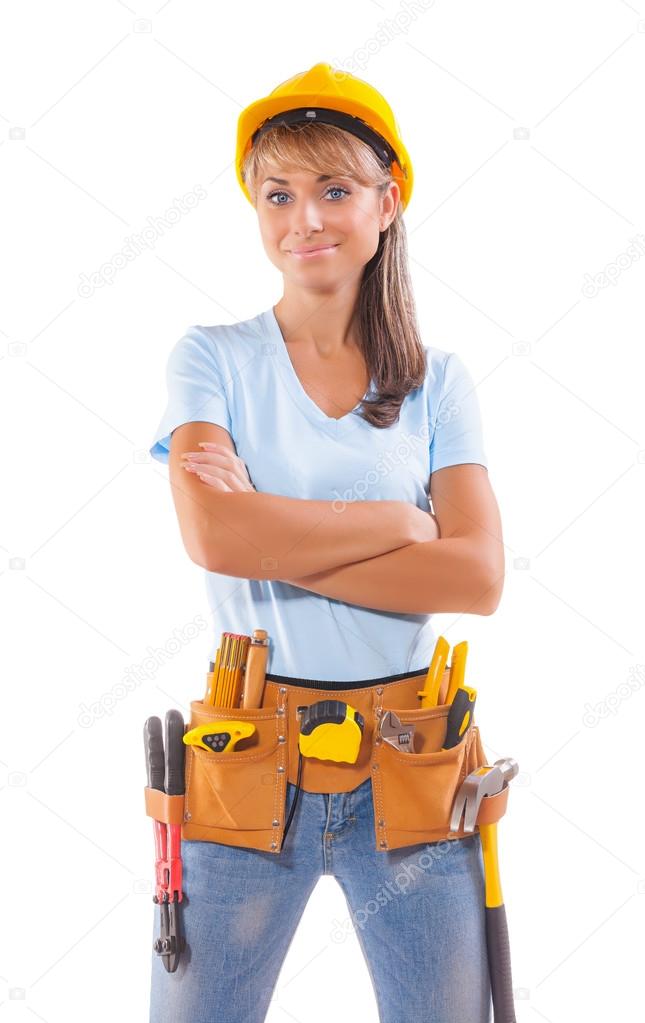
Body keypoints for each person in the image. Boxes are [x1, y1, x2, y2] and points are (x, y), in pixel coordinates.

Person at [148, 62, 505, 1023]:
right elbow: (214, 535)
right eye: (279, 194)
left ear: (387, 204)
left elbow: (475, 576)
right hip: (245, 749)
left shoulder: (439, 382)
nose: (304, 217)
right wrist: (396, 524)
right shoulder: (211, 357)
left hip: (412, 762)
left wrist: (272, 529)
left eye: (335, 190)